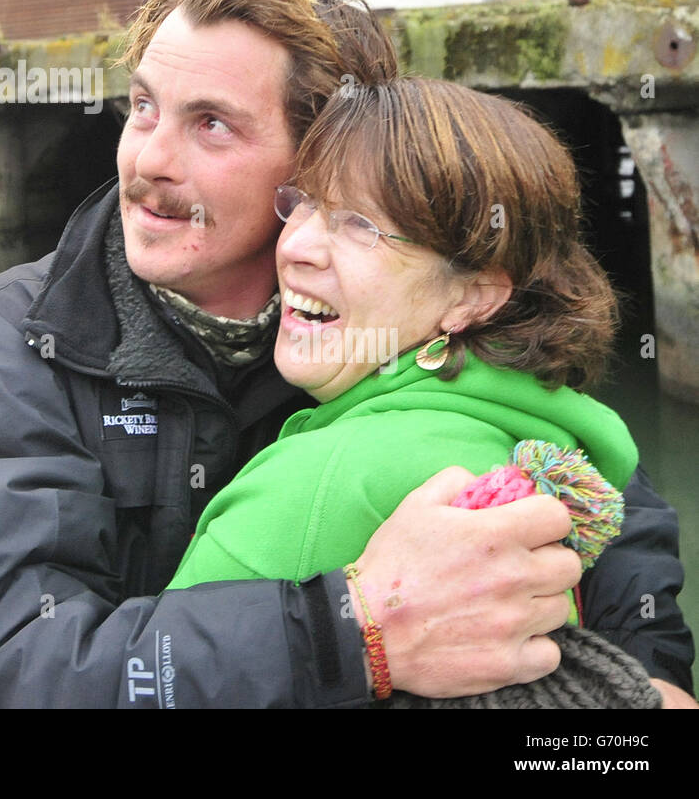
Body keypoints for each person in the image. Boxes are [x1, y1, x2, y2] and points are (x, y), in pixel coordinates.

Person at [0, 0, 694, 708]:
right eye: (142, 108)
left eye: (212, 124)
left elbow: (615, 516)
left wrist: (628, 691)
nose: (147, 159)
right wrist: (351, 629)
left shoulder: (377, 332)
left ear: (318, 159)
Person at [168, 76, 695, 707]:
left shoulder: (319, 483)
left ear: (473, 296)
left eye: (360, 225)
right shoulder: (551, 438)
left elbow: (160, 683)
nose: (297, 246)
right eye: (303, 202)